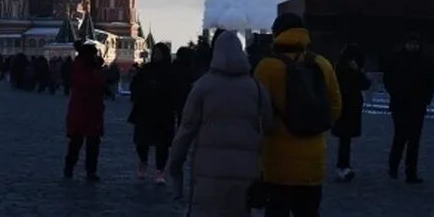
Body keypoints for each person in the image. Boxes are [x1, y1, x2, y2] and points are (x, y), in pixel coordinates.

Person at [167, 31, 273, 216]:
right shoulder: (256, 88)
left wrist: (175, 167)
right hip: (245, 173)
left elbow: (186, 130)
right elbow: (269, 126)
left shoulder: (202, 87)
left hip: (207, 174)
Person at [254, 13, 341, 217]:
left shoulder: (267, 67)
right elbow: (336, 107)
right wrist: (315, 126)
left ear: (277, 34)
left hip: (277, 163)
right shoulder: (322, 64)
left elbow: (257, 113)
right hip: (313, 163)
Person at [383, 32, 434, 184]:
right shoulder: (396, 59)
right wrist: (394, 92)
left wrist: (426, 99)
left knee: (414, 140)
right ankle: (393, 166)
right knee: (400, 136)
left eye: (415, 44)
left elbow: (431, 82)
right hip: (400, 104)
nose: (413, 46)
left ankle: (411, 172)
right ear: (406, 44)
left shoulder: (425, 61)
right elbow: (387, 78)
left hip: (417, 105)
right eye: (411, 44)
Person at [129, 43, 178, 183]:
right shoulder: (146, 69)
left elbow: (175, 90)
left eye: (159, 53)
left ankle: (159, 171)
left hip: (163, 112)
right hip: (145, 111)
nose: (156, 55)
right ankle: (143, 162)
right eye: (155, 52)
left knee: (162, 144)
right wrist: (139, 95)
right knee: (142, 142)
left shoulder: (170, 71)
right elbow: (135, 85)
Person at [64, 42, 106, 181]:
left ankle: (90, 170)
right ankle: (70, 167)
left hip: (92, 110)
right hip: (82, 109)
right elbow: (87, 84)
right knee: (77, 142)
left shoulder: (92, 67)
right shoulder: (81, 68)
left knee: (92, 143)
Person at [332, 44, 372, 182]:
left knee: (346, 139)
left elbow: (365, 85)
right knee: (345, 138)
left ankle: (343, 165)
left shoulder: (348, 70)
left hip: (350, 107)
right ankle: (343, 166)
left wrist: (358, 71)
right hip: (344, 107)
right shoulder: (341, 70)